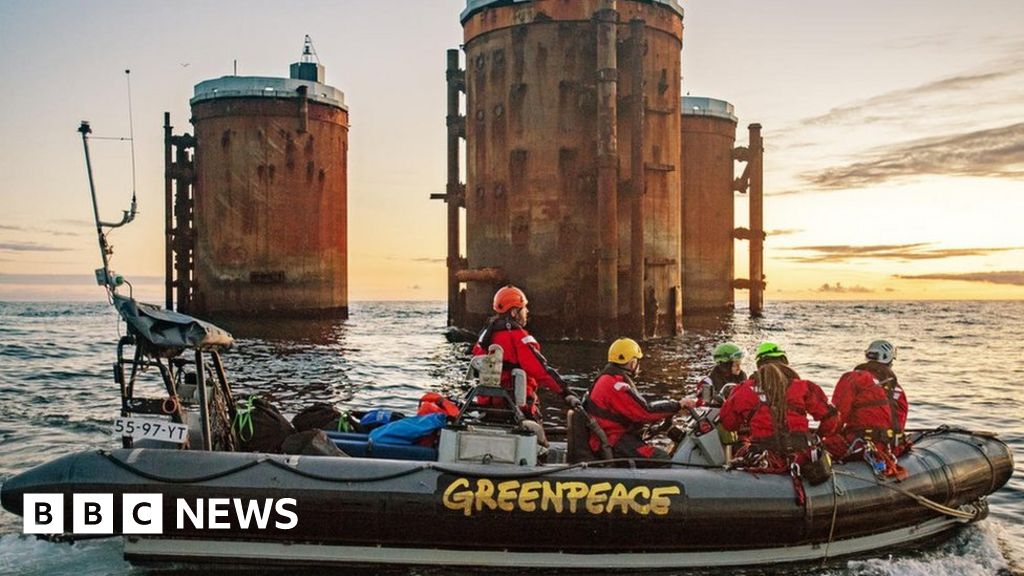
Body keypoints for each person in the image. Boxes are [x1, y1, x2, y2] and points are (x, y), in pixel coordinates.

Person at [719, 342, 838, 468]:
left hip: (764, 458)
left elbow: (728, 424)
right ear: (785, 362)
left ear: (759, 365)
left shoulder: (744, 389)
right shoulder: (804, 386)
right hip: (801, 457)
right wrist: (817, 437)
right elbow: (831, 418)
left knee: (741, 442)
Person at [472, 285, 577, 420]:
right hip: (515, 405)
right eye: (524, 308)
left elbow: (476, 364)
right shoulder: (519, 337)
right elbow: (540, 370)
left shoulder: (485, 336)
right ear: (514, 312)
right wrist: (565, 392)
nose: (527, 311)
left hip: (487, 406)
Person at [584, 338, 688, 461]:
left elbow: (635, 410)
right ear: (633, 363)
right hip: (615, 441)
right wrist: (678, 405)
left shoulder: (608, 380)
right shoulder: (617, 386)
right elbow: (645, 412)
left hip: (609, 438)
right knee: (661, 457)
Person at [823, 339, 909, 462]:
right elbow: (900, 422)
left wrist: (821, 436)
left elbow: (837, 417)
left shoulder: (854, 378)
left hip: (861, 445)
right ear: (889, 361)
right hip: (893, 448)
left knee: (811, 449)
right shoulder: (898, 389)